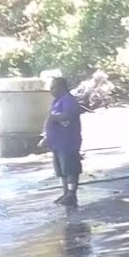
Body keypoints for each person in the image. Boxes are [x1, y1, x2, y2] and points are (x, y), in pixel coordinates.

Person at [44, 77, 84, 208]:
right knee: (61, 170)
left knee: (70, 169)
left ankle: (72, 193)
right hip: (57, 142)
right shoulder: (56, 101)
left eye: (53, 87)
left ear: (61, 87)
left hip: (68, 141)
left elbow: (67, 116)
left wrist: (52, 118)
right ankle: (66, 192)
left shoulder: (69, 100)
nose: (51, 90)